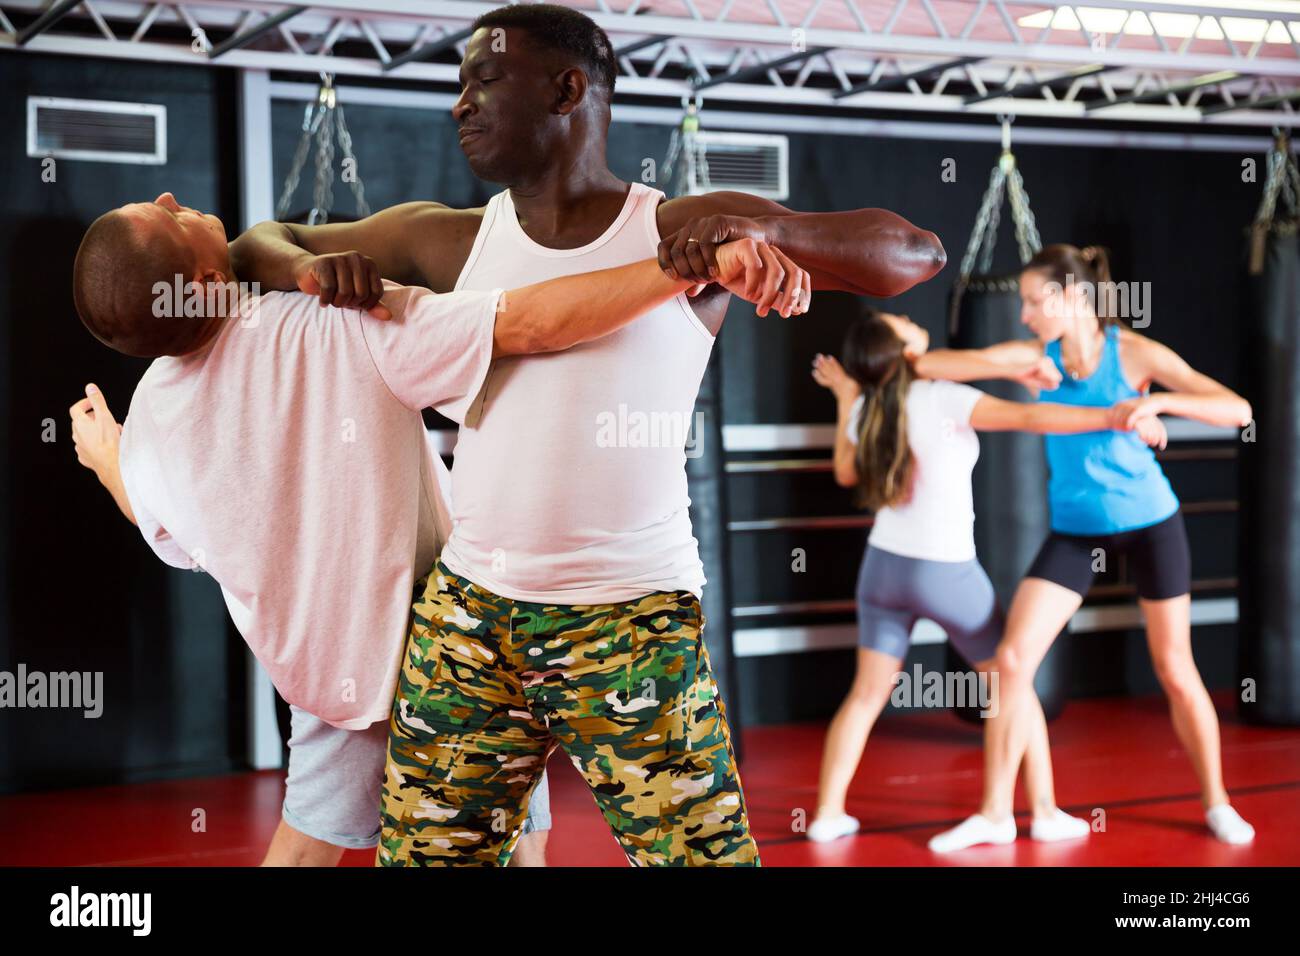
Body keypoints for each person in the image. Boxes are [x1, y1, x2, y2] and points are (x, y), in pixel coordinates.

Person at [227, 5, 945, 866]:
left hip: (631, 617)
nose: (460, 102)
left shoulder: (677, 230)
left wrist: (762, 234)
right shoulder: (449, 240)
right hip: (471, 620)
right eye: (459, 84)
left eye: (483, 80)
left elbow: (916, 253)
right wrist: (308, 269)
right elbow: (256, 244)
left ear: (569, 89)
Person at [67, 191, 797, 867]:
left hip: (333, 670)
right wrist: (678, 269)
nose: (169, 197)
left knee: (316, 848)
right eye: (160, 212)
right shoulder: (339, 325)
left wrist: (106, 460)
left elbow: (168, 531)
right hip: (449, 639)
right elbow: (529, 321)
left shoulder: (152, 419)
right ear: (199, 275)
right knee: (507, 849)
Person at [919, 243, 1257, 849]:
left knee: (1175, 669)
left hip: (1151, 522)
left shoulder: (1134, 353)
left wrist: (1157, 401)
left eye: (1031, 301)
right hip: (1077, 531)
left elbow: (1237, 408)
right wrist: (1013, 371)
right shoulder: (1035, 356)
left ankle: (1217, 802)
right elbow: (933, 366)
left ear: (1071, 296)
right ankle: (996, 813)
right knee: (1014, 660)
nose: (1023, 315)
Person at [805, 309, 1166, 846]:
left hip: (882, 566)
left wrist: (843, 400)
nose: (908, 316)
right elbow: (1028, 419)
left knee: (865, 695)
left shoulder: (866, 402)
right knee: (1012, 679)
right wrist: (1110, 417)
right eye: (900, 323)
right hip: (943, 570)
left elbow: (845, 473)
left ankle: (827, 814)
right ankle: (1043, 809)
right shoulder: (943, 396)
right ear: (904, 352)